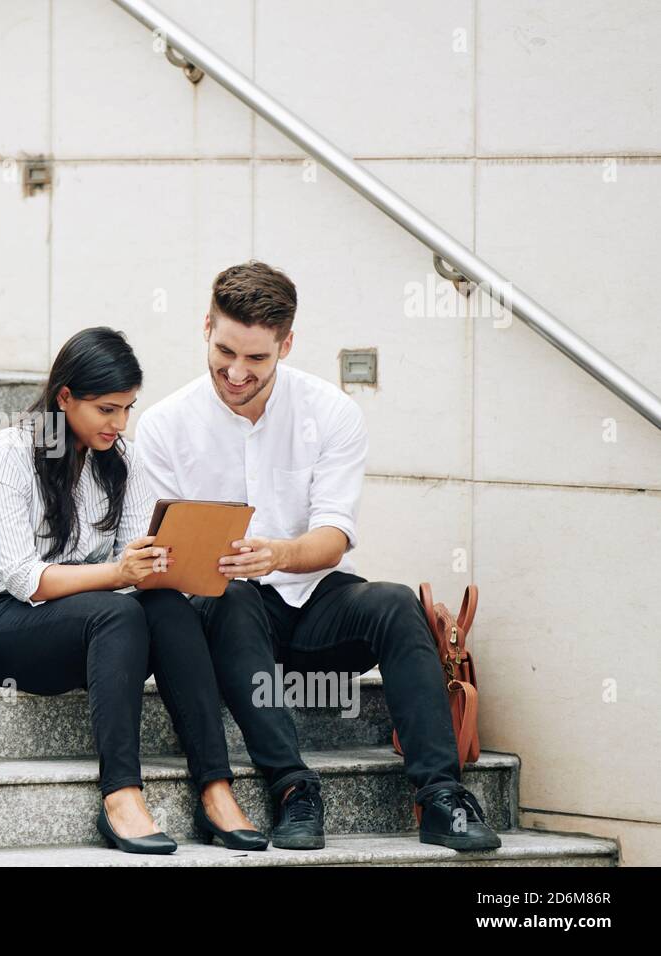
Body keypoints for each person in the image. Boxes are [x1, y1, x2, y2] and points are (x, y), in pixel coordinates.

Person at [132, 260, 502, 852]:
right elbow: (158, 555)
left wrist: (276, 552)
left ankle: (440, 796)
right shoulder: (164, 425)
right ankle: (292, 787)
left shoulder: (331, 412)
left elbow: (333, 535)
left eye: (256, 359)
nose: (235, 371)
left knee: (395, 603)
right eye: (225, 350)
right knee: (232, 597)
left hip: (315, 605)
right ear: (206, 326)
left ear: (287, 344)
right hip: (226, 618)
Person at [0, 326, 270, 854]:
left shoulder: (119, 459)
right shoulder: (5, 456)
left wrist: (182, 562)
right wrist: (121, 574)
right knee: (118, 614)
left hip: (86, 621)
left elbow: (133, 561)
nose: (120, 423)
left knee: (167, 606)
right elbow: (25, 580)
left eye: (127, 408)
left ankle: (215, 788)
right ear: (65, 398)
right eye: (106, 409)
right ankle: (121, 794)